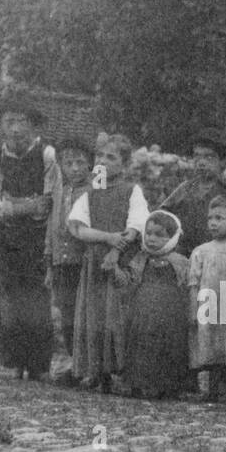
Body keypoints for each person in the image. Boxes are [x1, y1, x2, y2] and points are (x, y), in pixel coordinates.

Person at [0, 91, 56, 381]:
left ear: (32, 125)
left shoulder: (47, 155)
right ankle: (15, 363)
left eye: (21, 121)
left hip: (39, 237)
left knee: (37, 298)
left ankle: (39, 365)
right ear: (1, 125)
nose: (15, 128)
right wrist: (26, 206)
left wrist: (14, 206)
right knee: (9, 299)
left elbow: (49, 201)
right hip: (8, 239)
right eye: (9, 121)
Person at [67, 134, 149, 392]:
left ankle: (123, 372)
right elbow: (78, 229)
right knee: (95, 316)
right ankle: (97, 371)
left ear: (123, 165)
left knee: (119, 317)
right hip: (94, 265)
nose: (103, 161)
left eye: (111, 157)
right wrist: (107, 238)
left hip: (120, 264)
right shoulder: (89, 194)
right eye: (100, 156)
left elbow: (136, 227)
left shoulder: (131, 191)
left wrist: (116, 250)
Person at [122, 210, 190, 400]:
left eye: (159, 235)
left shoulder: (180, 262)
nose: (151, 239)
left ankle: (167, 386)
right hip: (142, 310)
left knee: (169, 345)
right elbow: (131, 280)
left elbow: (187, 287)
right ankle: (138, 384)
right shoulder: (140, 259)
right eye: (148, 233)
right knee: (140, 344)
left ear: (173, 238)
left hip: (170, 313)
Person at [44, 134, 94, 383]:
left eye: (79, 163)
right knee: (66, 316)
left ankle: (88, 367)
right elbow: (52, 229)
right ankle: (75, 365)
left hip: (82, 264)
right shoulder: (60, 192)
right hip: (62, 264)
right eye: (68, 163)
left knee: (83, 315)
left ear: (89, 165)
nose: (74, 168)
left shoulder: (93, 193)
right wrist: (50, 264)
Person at [188, 195, 226, 401]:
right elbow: (194, 282)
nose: (213, 222)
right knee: (210, 344)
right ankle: (212, 388)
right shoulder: (201, 251)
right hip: (208, 305)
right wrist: (194, 308)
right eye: (210, 218)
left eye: (220, 218)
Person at [159, 130, 226, 253]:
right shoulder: (186, 187)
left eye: (209, 157)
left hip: (218, 253)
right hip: (184, 253)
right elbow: (163, 214)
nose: (201, 162)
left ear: (222, 161)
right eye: (196, 156)